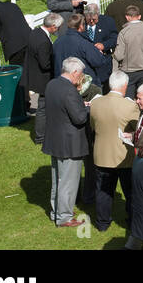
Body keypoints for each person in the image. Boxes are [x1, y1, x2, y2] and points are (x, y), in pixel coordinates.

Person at [42, 57, 90, 228]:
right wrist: (86, 108)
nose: (81, 77)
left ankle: (57, 211)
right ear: (75, 72)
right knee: (68, 182)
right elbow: (79, 118)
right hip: (70, 143)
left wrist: (79, 104)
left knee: (58, 180)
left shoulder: (52, 84)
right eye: (81, 73)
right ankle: (64, 217)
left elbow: (61, 107)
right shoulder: (70, 90)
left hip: (55, 139)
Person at [89, 70, 138, 233]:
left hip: (102, 155)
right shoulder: (130, 106)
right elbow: (137, 129)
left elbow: (92, 126)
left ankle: (102, 223)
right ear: (124, 86)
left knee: (103, 191)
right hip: (124, 156)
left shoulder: (95, 104)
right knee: (130, 192)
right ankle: (132, 222)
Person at [114, 4, 143, 98]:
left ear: (127, 17)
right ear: (139, 16)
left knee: (129, 101)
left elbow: (119, 56)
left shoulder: (123, 32)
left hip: (128, 71)